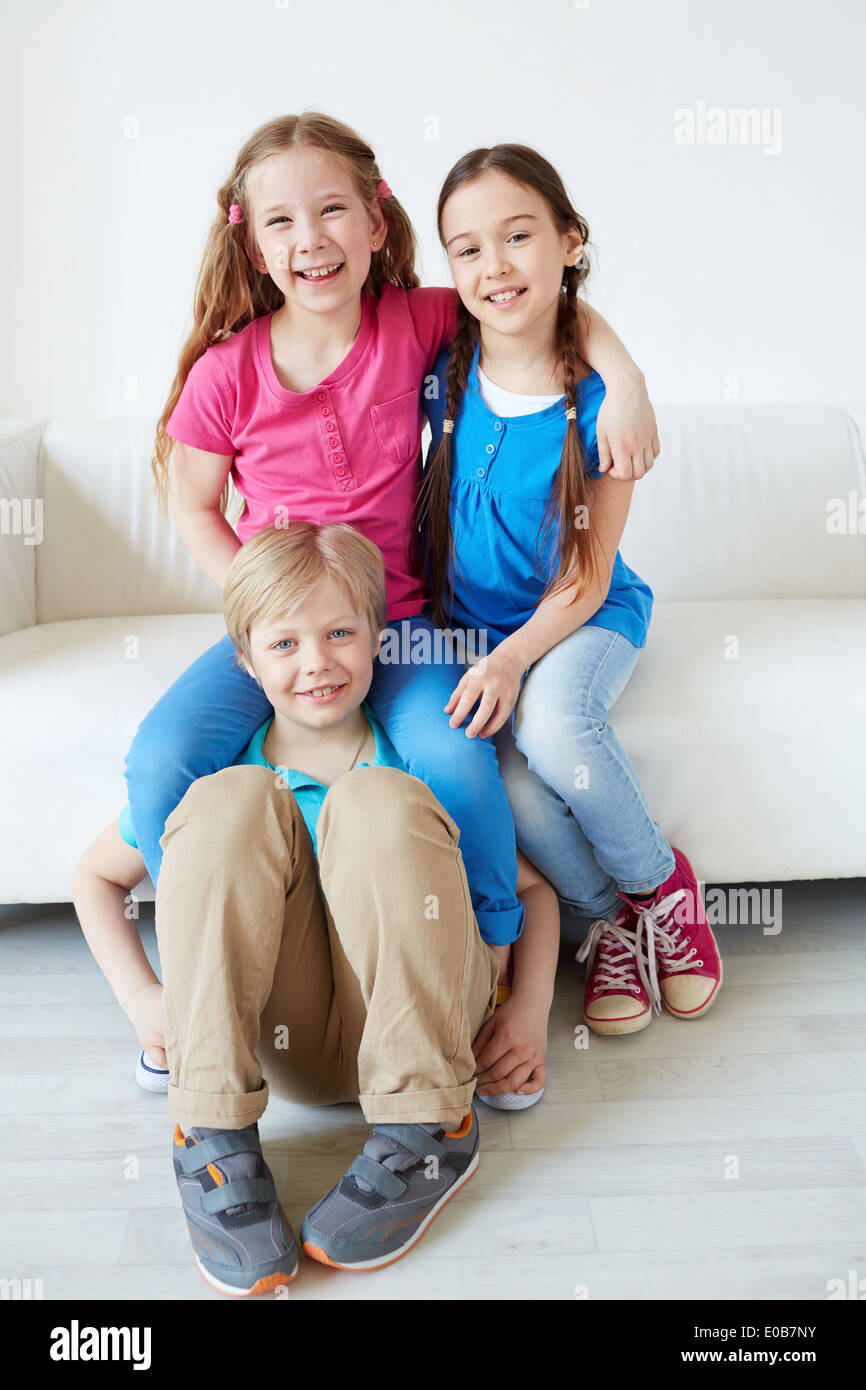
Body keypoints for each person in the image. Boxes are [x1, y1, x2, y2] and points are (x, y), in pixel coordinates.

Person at [123, 110, 661, 968]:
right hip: (272, 635)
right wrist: (257, 618)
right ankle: (204, 968)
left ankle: (494, 965)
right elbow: (192, 503)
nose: (313, 239)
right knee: (157, 765)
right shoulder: (226, 374)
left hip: (406, 625)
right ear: (255, 250)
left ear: (376, 222)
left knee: (457, 766)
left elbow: (538, 306)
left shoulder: (416, 323)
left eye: (333, 210)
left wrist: (627, 378)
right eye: (282, 222)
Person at [72, 521, 561, 1293]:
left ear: (377, 638)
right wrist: (144, 1001)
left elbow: (530, 888)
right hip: (280, 1039)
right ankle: (213, 1133)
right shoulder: (224, 763)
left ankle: (433, 1127)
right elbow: (95, 879)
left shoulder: (417, 751)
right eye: (285, 645)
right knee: (228, 802)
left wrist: (530, 1009)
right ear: (245, 661)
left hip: (423, 1028)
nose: (317, 664)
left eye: (340, 634)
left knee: (375, 801)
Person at [414, 143, 723, 1036]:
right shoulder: (444, 363)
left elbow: (585, 580)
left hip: (582, 616)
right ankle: (615, 917)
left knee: (551, 727)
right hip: (469, 626)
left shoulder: (598, 403)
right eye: (466, 248)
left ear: (570, 242)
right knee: (493, 780)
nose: (494, 265)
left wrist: (623, 377)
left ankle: (666, 890)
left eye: (518, 236)